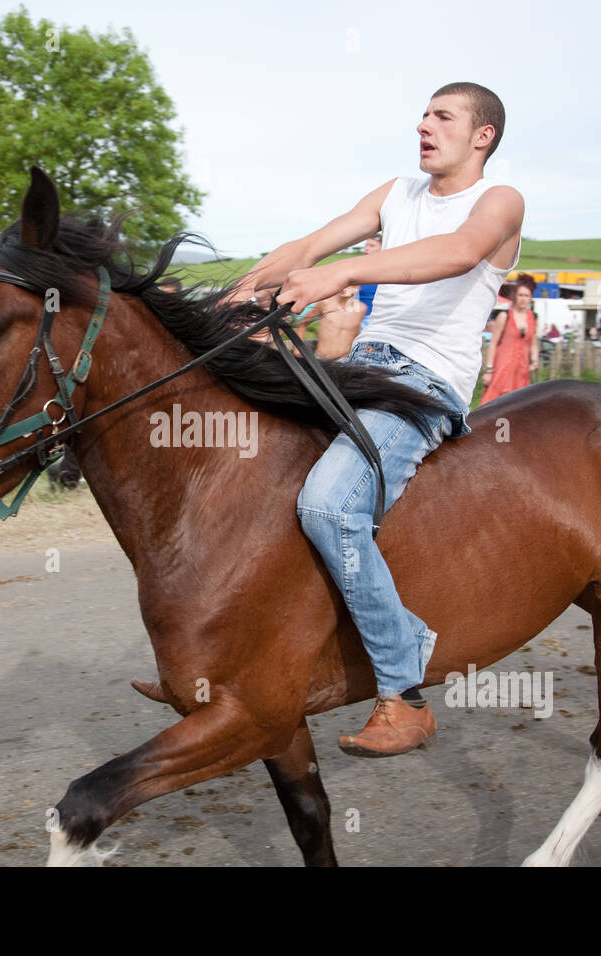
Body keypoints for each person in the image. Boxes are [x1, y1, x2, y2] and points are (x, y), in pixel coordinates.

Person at [229, 82, 524, 756]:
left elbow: (456, 254)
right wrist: (244, 290)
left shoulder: (499, 201)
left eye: (442, 116)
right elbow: (309, 244)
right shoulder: (396, 193)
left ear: (483, 136)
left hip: (422, 385)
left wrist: (337, 275)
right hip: (358, 366)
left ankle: (403, 689)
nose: (423, 124)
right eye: (422, 114)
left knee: (331, 507)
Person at [480, 273, 539, 404]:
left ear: (530, 298)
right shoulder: (504, 316)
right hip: (503, 366)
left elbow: (534, 342)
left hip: (522, 370)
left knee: (520, 405)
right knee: (493, 403)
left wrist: (534, 361)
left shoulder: (532, 317)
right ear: (515, 296)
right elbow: (493, 343)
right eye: (521, 295)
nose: (523, 299)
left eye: (526, 296)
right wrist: (489, 370)